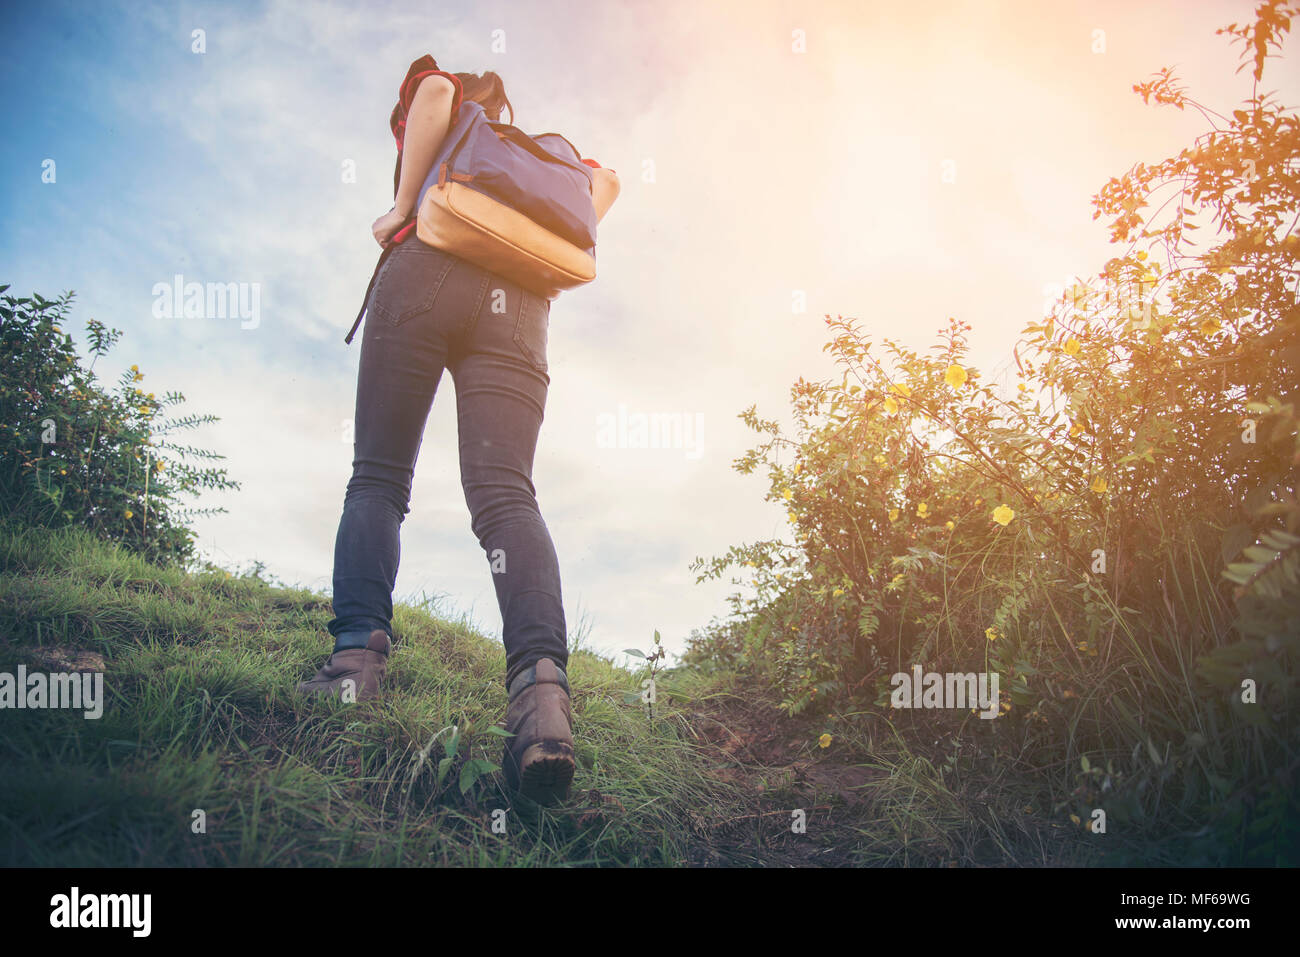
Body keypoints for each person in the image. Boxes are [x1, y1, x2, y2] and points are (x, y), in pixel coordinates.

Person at [297, 55, 620, 806]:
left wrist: (402, 204)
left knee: (379, 475)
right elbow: (607, 187)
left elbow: (437, 91)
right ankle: (541, 701)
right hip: (523, 306)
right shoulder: (552, 158)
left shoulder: (442, 92)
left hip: (428, 266)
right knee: (508, 496)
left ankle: (354, 667)